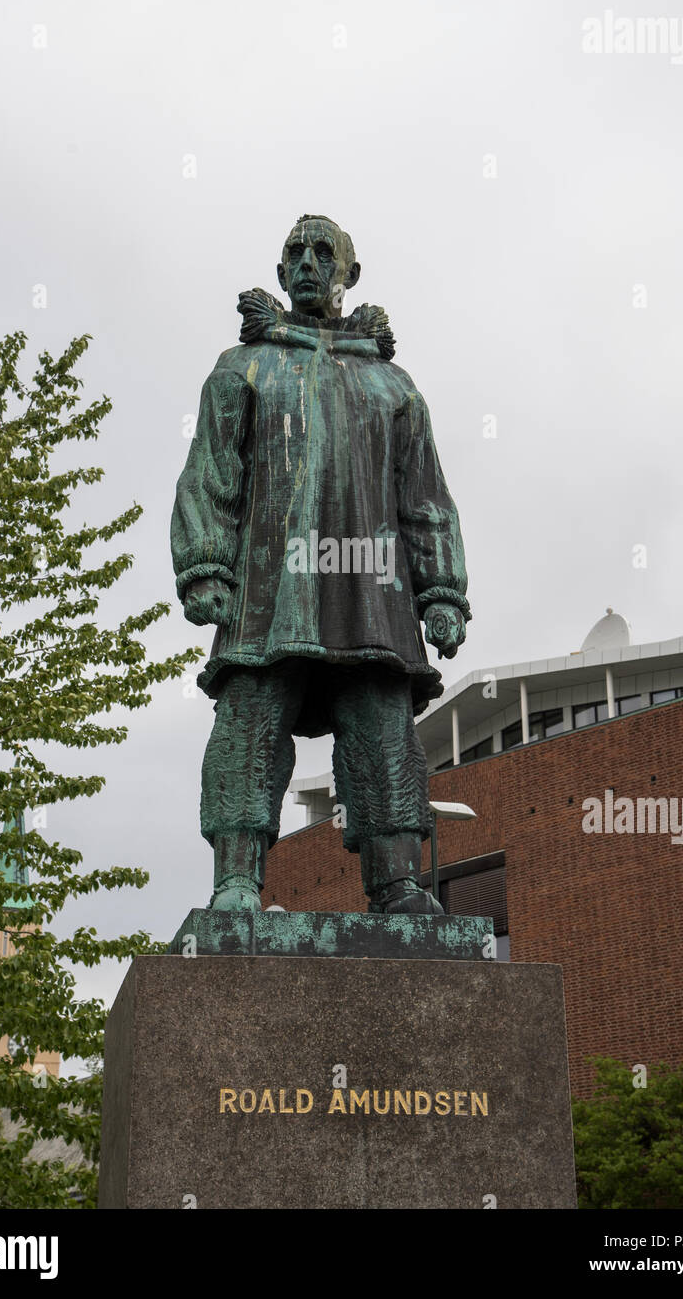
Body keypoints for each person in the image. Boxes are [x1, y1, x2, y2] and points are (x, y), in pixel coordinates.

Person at [172, 215, 471, 914]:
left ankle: (395, 878)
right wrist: (205, 565)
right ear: (280, 275)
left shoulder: (392, 386)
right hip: (269, 588)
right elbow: (210, 474)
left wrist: (442, 590)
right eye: (293, 254)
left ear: (348, 275)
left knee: (381, 726)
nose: (307, 263)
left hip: (373, 589)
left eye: (322, 252)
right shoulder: (242, 367)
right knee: (250, 717)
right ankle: (237, 878)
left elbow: (423, 494)